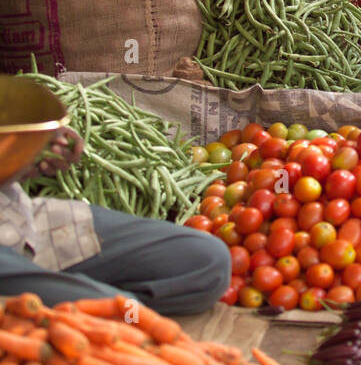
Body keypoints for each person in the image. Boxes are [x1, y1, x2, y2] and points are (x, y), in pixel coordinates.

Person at [0, 112, 230, 315]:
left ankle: (98, 309)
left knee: (209, 263)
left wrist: (26, 145)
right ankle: (111, 314)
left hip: (16, 216)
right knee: (120, 309)